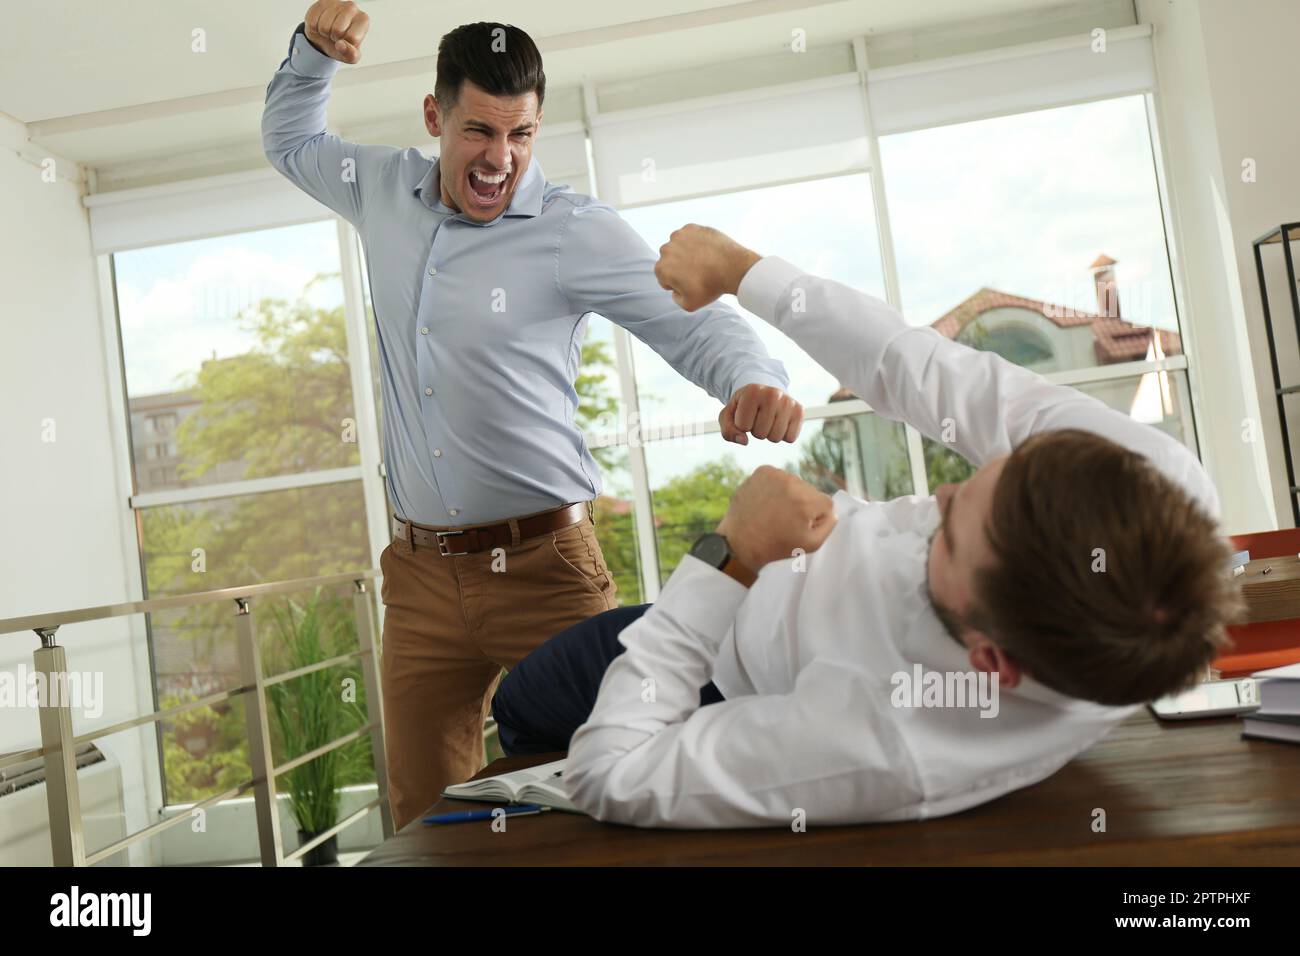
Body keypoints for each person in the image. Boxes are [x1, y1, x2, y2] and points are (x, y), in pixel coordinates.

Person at [491, 224, 1243, 828]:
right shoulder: (1149, 479)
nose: (938, 499)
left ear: (990, 664)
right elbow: (916, 364)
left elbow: (611, 773)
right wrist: (742, 269)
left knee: (521, 707)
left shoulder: (896, 743)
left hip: (732, 668)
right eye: (984, 479)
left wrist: (729, 559)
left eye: (946, 536)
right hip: (757, 594)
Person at [262, 3, 803, 829]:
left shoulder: (571, 231)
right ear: (435, 116)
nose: (500, 158)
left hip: (545, 569)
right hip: (418, 579)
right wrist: (311, 56)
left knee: (607, 793)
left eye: (521, 135)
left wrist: (751, 377)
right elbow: (292, 141)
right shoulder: (380, 192)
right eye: (479, 131)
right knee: (425, 818)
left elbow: (689, 319)